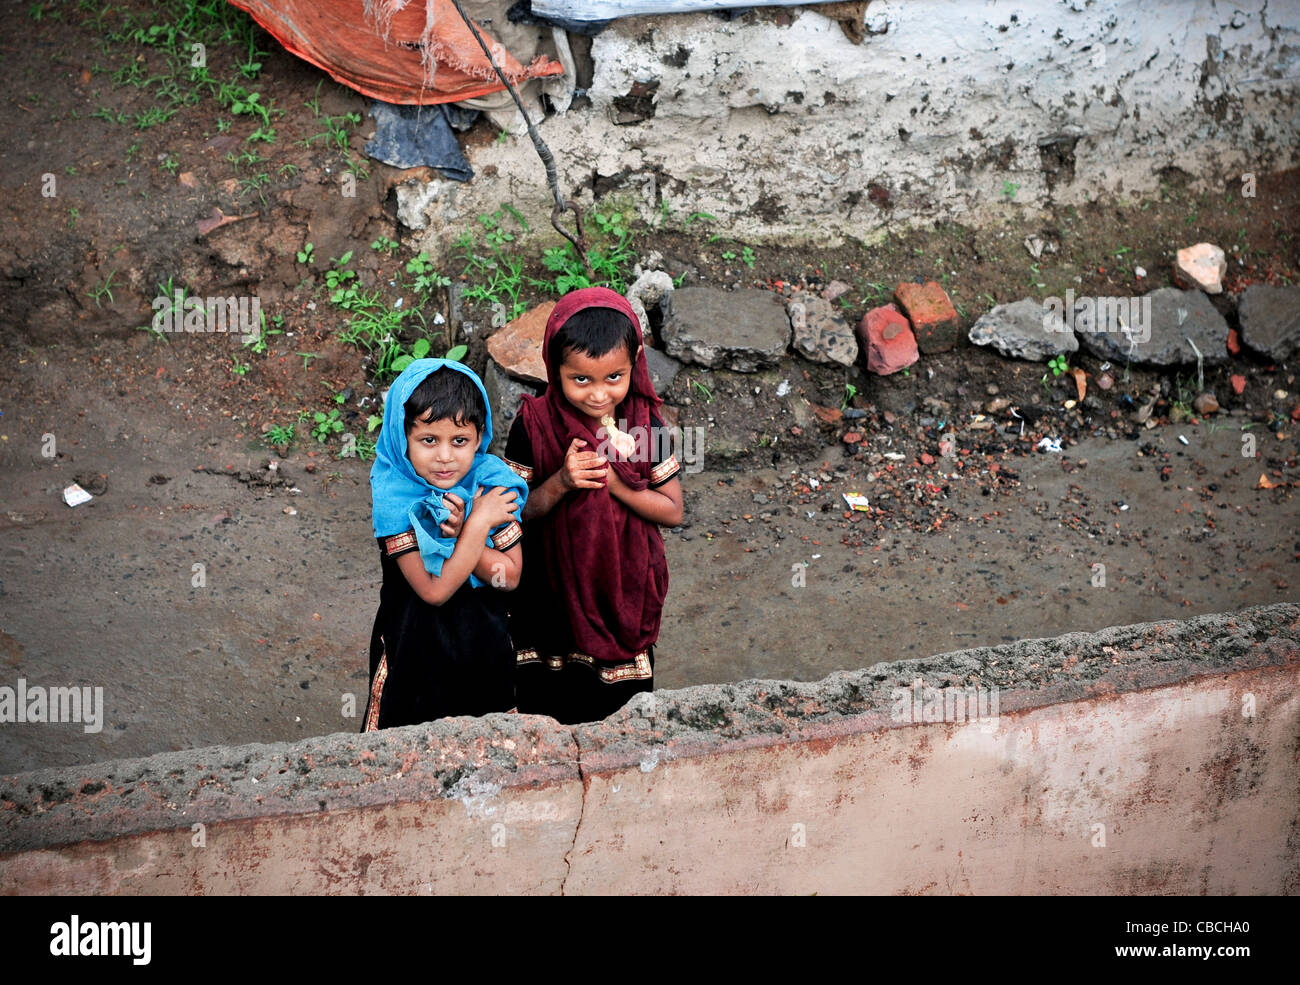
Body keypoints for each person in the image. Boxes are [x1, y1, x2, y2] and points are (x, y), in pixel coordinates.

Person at [504, 287, 684, 724]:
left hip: (619, 583)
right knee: (546, 710)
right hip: (549, 587)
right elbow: (513, 513)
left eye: (614, 378)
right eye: (580, 379)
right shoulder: (534, 424)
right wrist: (562, 481)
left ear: (634, 365)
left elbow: (673, 510)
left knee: (617, 717)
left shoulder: (646, 424)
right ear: (555, 367)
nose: (599, 395)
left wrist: (619, 488)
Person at [362, 358, 527, 730]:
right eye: (428, 440)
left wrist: (466, 529)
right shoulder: (397, 497)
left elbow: (510, 575)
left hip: (482, 649)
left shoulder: (491, 484)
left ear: (480, 435)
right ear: (401, 437)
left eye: (460, 440)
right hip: (414, 652)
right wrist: (476, 525)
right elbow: (434, 592)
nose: (445, 456)